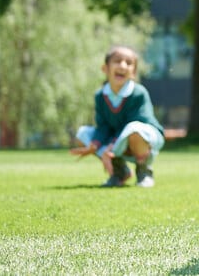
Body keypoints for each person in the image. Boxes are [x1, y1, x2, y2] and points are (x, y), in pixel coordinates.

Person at [70, 45, 165, 188]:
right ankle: (119, 171)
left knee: (135, 130)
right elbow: (103, 126)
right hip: (117, 140)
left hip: (143, 138)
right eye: (117, 61)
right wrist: (95, 145)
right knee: (83, 133)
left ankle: (143, 170)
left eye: (128, 63)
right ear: (105, 69)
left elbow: (134, 123)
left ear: (133, 72)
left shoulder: (138, 93)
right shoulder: (100, 96)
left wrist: (111, 147)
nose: (123, 65)